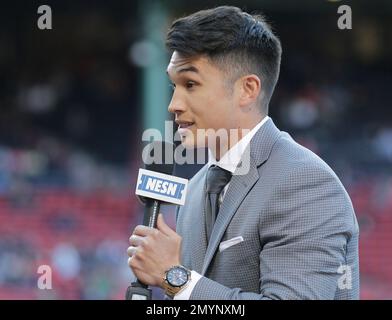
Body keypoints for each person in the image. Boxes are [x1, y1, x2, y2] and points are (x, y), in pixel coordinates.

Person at [127, 6, 359, 300]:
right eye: (174, 86)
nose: (174, 104)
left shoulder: (305, 182)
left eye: (191, 84)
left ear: (247, 89)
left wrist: (175, 278)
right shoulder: (197, 188)